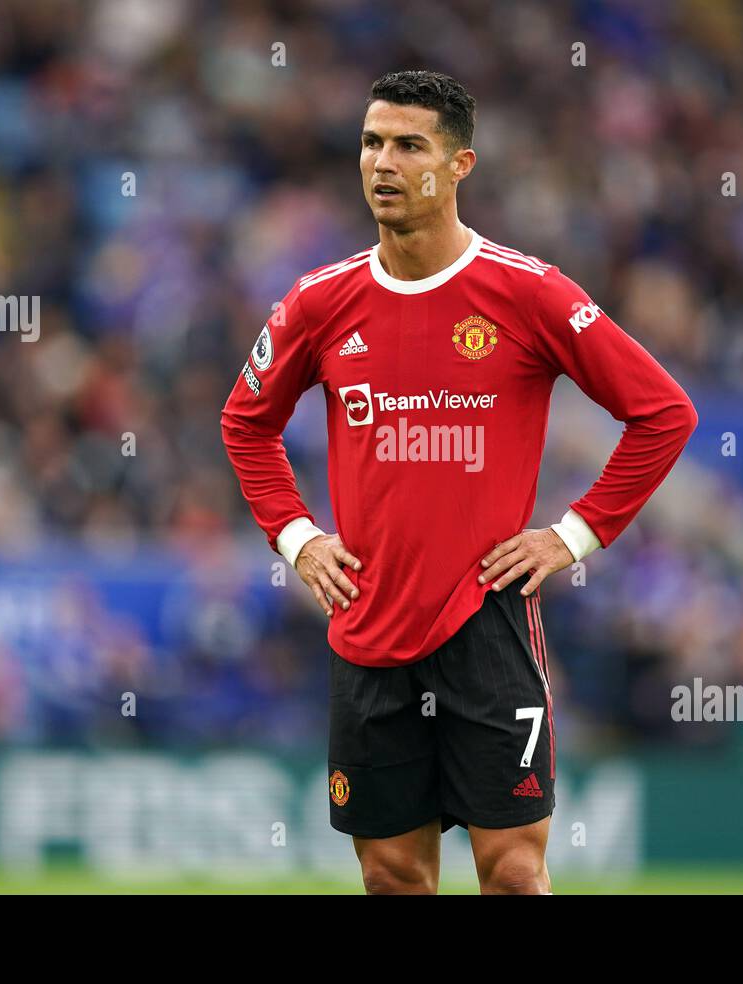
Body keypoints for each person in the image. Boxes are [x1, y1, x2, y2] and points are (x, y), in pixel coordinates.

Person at [222, 70, 697, 894]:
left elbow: (663, 412)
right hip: (367, 624)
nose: (384, 162)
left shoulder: (527, 292)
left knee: (513, 871)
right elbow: (245, 423)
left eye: (410, 146)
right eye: (372, 142)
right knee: (393, 877)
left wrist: (571, 536)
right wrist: (298, 539)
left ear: (461, 164)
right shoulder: (318, 302)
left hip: (489, 624)